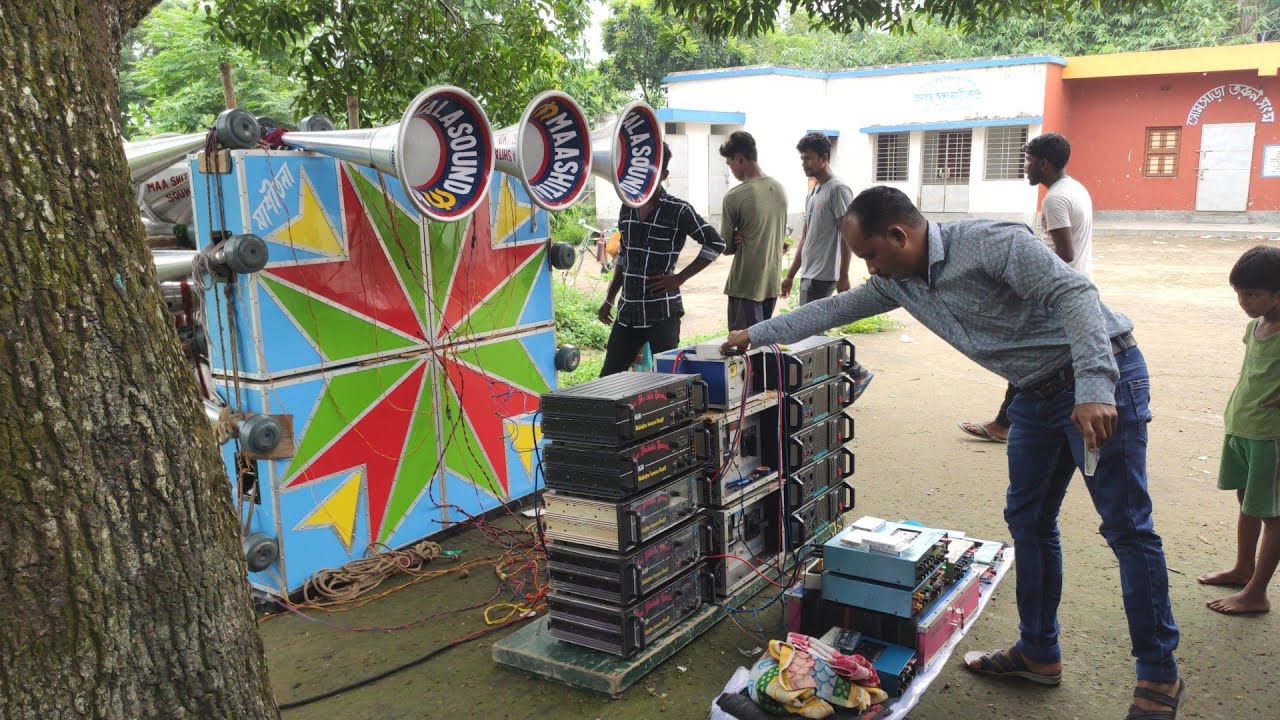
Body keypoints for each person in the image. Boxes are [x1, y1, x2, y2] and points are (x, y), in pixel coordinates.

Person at [723, 186, 1184, 719]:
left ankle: (1158, 674)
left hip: (1100, 380)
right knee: (1029, 521)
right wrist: (751, 335)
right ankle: (1039, 651)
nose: (869, 268)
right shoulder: (899, 281)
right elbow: (832, 309)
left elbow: (1075, 295)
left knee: (1127, 527)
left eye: (871, 253)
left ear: (899, 235)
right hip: (1034, 394)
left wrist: (1097, 388)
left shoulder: (989, 244)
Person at [959, 132, 1095, 444]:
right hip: (1074, 286)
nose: (1026, 167)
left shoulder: (1056, 198)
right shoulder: (1074, 188)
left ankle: (1005, 424)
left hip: (1057, 293)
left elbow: (1065, 253)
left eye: (1029, 160)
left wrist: (1024, 270)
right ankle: (1012, 422)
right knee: (1051, 360)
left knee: (1025, 356)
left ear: (1044, 163)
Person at [1198, 245, 1280, 615]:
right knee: (1247, 503)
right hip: (1242, 427)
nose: (1243, 302)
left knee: (1273, 515)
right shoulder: (1254, 326)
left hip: (1271, 437)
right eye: (1239, 294)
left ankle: (1257, 593)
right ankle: (1242, 568)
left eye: (1251, 294)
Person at [597, 142, 725, 376]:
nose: (642, 177)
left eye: (651, 171)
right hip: (628, 313)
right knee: (609, 376)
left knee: (668, 381)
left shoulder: (679, 210)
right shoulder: (627, 207)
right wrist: (609, 298)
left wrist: (680, 278)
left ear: (664, 174)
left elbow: (715, 243)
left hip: (662, 313)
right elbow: (625, 257)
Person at [718, 130, 788, 331]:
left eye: (730, 163)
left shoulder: (735, 196)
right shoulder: (779, 188)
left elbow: (726, 247)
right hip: (771, 282)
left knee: (740, 351)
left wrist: (735, 237)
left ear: (738, 158)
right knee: (762, 348)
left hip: (745, 285)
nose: (731, 169)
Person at [782, 133, 853, 306]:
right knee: (810, 330)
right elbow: (805, 238)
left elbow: (847, 235)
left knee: (811, 331)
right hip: (809, 274)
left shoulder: (838, 189)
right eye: (802, 159)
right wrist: (790, 275)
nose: (803, 164)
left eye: (808, 158)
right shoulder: (813, 193)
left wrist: (843, 275)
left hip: (824, 276)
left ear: (824, 158)